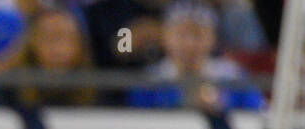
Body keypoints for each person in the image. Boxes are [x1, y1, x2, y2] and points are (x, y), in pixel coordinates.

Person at [128, 1, 263, 111]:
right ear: (165, 37)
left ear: (213, 38)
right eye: (181, 34)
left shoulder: (232, 77)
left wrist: (220, 107)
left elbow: (258, 114)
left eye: (198, 35)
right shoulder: (150, 81)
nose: (189, 44)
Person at [15, 4, 98, 107]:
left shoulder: (103, 95)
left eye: (67, 38)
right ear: (32, 44)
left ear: (80, 45)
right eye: (50, 38)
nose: (58, 50)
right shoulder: (6, 93)